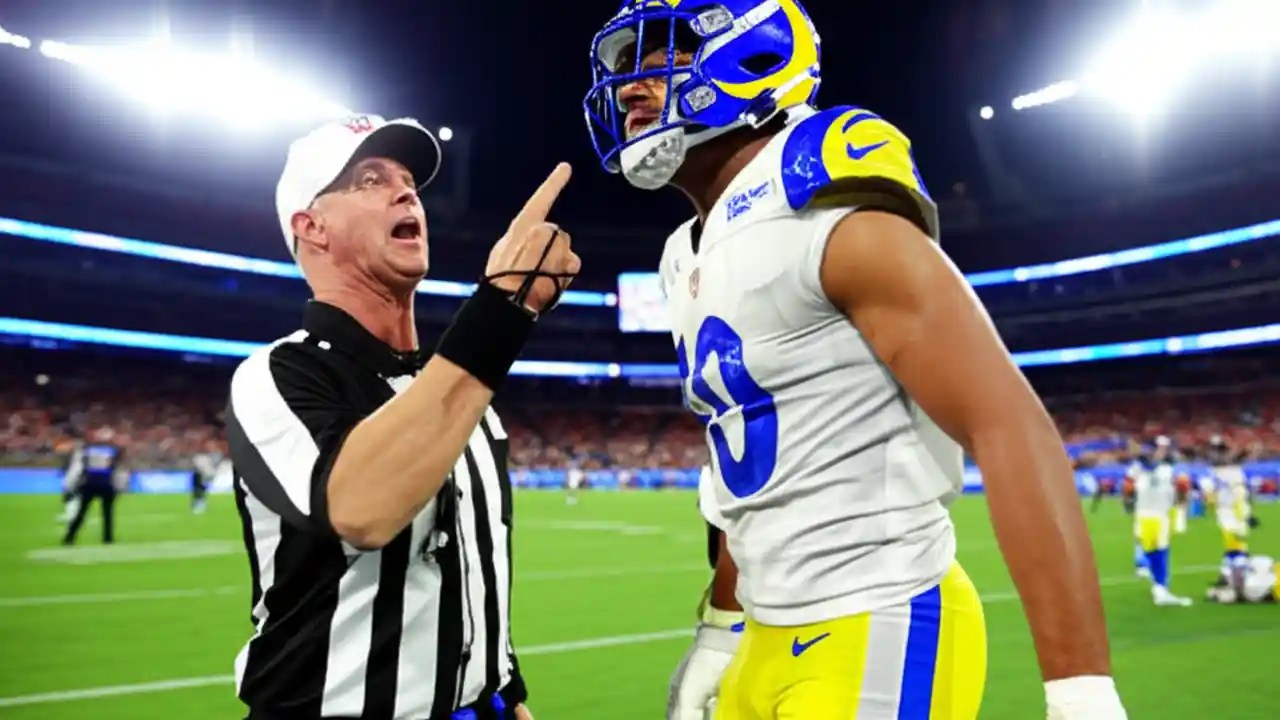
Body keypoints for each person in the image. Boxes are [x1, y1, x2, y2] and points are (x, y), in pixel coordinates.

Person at [583, 2, 1127, 718]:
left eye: (657, 59)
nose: (629, 88)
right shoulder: (683, 251)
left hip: (881, 617)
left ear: (754, 57)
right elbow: (746, 472)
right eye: (623, 69)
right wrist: (721, 630)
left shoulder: (827, 207)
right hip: (766, 636)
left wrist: (1081, 688)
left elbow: (1007, 423)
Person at [226, 112, 578, 720]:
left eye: (407, 178)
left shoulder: (456, 390)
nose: (404, 189)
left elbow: (472, 564)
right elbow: (362, 510)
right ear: (312, 229)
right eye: (367, 180)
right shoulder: (277, 375)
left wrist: (506, 690)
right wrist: (501, 310)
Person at [1129, 451, 1193, 606]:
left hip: (1143, 516)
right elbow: (1182, 488)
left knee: (1151, 551)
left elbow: (1130, 489)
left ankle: (1155, 583)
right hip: (1158, 516)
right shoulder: (1167, 472)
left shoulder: (1142, 474)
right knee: (1160, 552)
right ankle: (1161, 590)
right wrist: (1181, 506)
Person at [62, 427, 127, 545]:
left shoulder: (88, 449)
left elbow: (83, 467)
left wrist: (77, 483)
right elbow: (115, 467)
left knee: (82, 512)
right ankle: (108, 538)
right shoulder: (112, 450)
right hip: (105, 483)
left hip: (90, 483)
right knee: (107, 513)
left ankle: (70, 537)